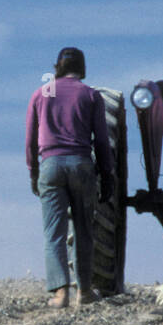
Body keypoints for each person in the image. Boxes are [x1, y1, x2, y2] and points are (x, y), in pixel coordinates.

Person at [25, 47, 115, 308]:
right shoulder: (90, 95)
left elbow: (30, 141)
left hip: (50, 165)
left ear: (57, 68)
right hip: (81, 165)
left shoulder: (40, 94)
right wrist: (107, 176)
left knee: (54, 232)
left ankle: (61, 293)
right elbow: (101, 140)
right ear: (82, 68)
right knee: (84, 229)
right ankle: (84, 291)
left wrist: (34, 173)